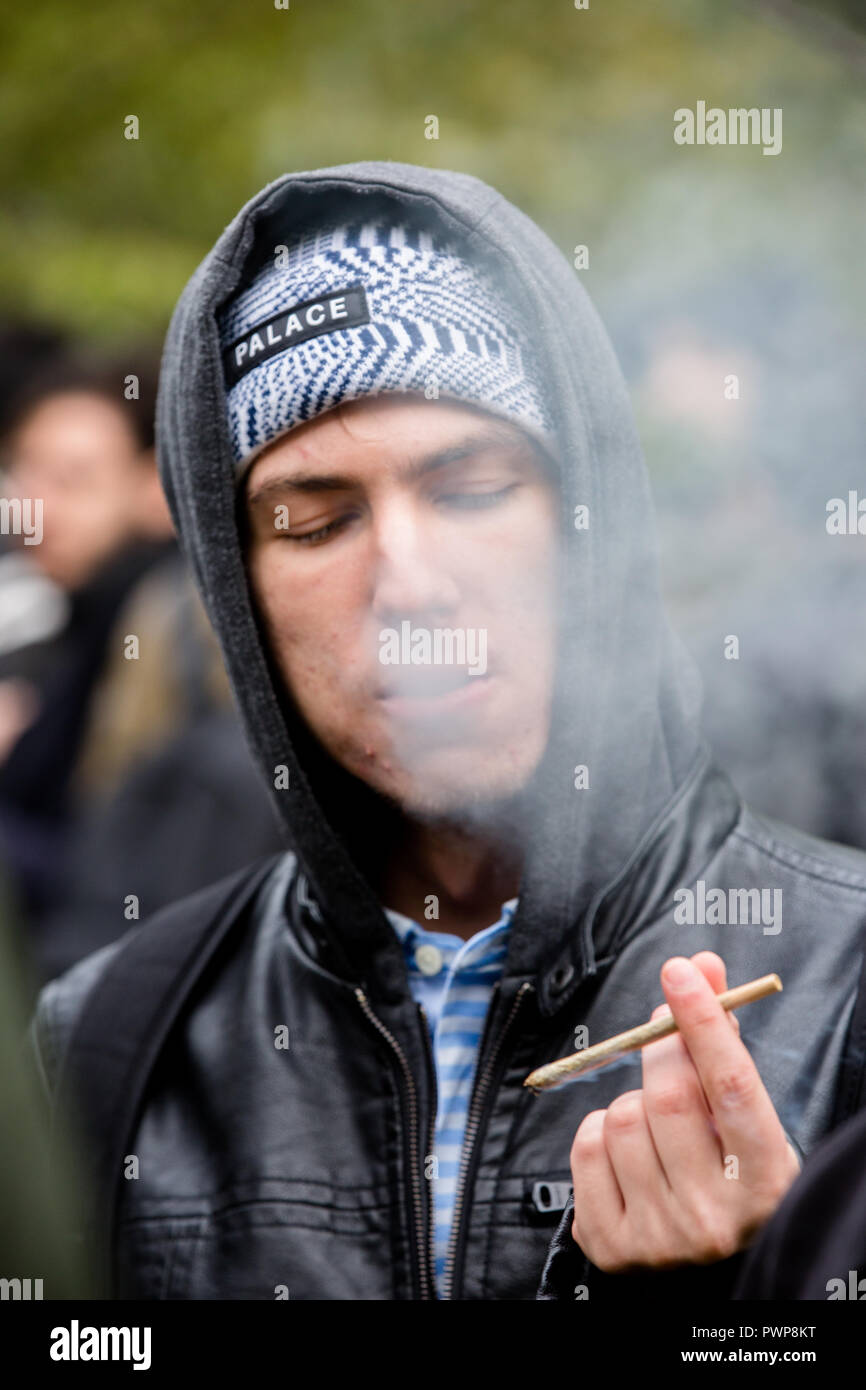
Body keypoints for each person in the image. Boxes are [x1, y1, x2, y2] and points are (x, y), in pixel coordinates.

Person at [31, 162, 866, 1301]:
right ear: (237, 593)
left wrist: (770, 1296)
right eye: (317, 522)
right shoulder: (114, 1040)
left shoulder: (845, 991)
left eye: (473, 490)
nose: (408, 584)